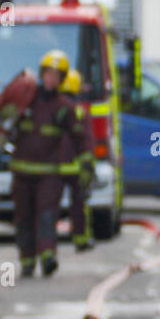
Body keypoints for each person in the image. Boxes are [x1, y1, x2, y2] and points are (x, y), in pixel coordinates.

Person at [0, 49, 95, 278]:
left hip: (50, 174)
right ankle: (27, 260)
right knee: (23, 218)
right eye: (48, 74)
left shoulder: (65, 107)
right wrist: (4, 128)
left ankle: (48, 257)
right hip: (22, 172)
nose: (51, 79)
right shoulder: (27, 98)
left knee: (47, 216)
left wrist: (87, 165)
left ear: (61, 79)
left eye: (56, 75)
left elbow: (82, 138)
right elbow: (7, 118)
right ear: (42, 74)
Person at [59, 68, 94, 251]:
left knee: (47, 207)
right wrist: (89, 166)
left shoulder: (53, 109)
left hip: (53, 167)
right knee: (79, 206)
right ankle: (81, 240)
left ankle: (46, 246)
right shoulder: (80, 111)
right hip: (76, 167)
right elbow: (87, 140)